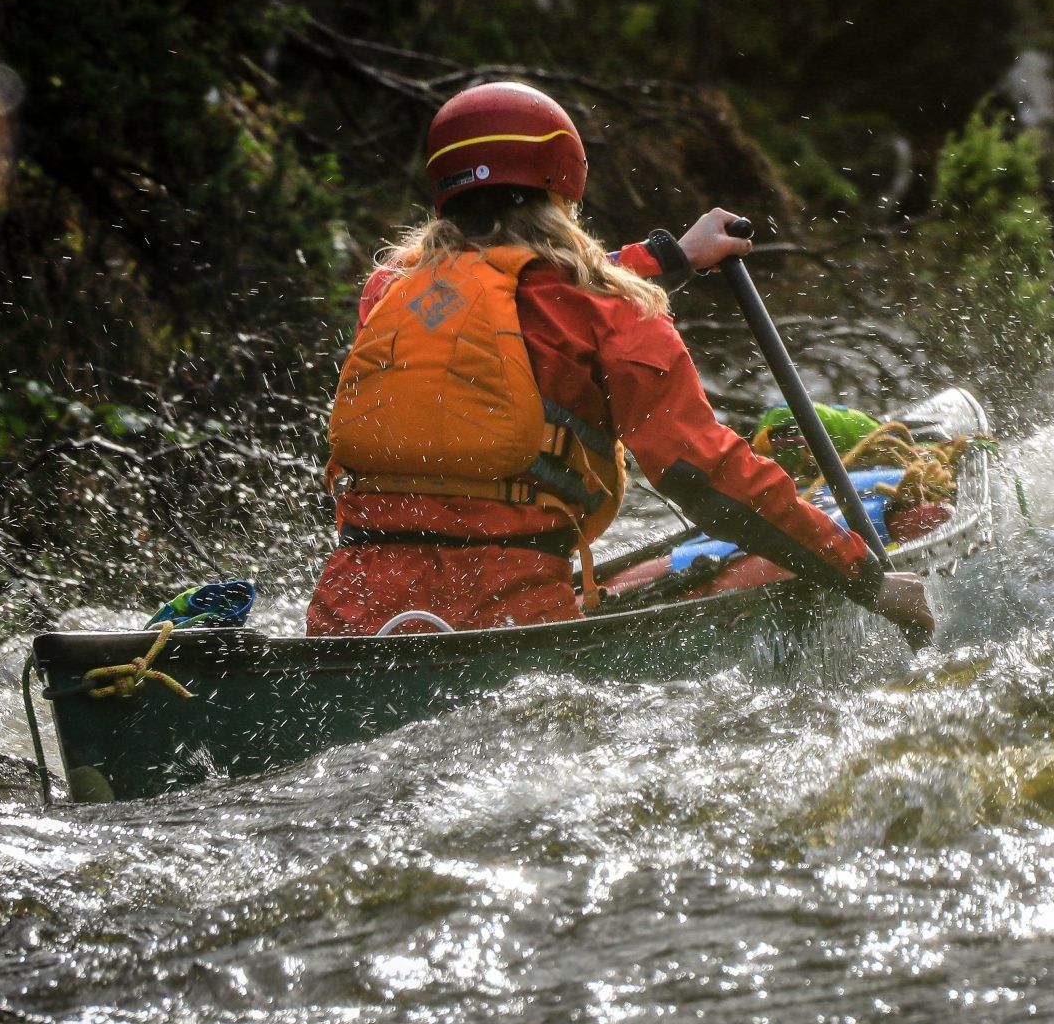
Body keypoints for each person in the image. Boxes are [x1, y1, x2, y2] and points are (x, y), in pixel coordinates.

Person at [307, 81, 935, 642]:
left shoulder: (389, 293)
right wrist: (863, 577)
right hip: (513, 615)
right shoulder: (610, 309)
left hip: (350, 610)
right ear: (564, 182)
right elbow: (701, 472)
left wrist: (673, 257)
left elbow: (514, 291)